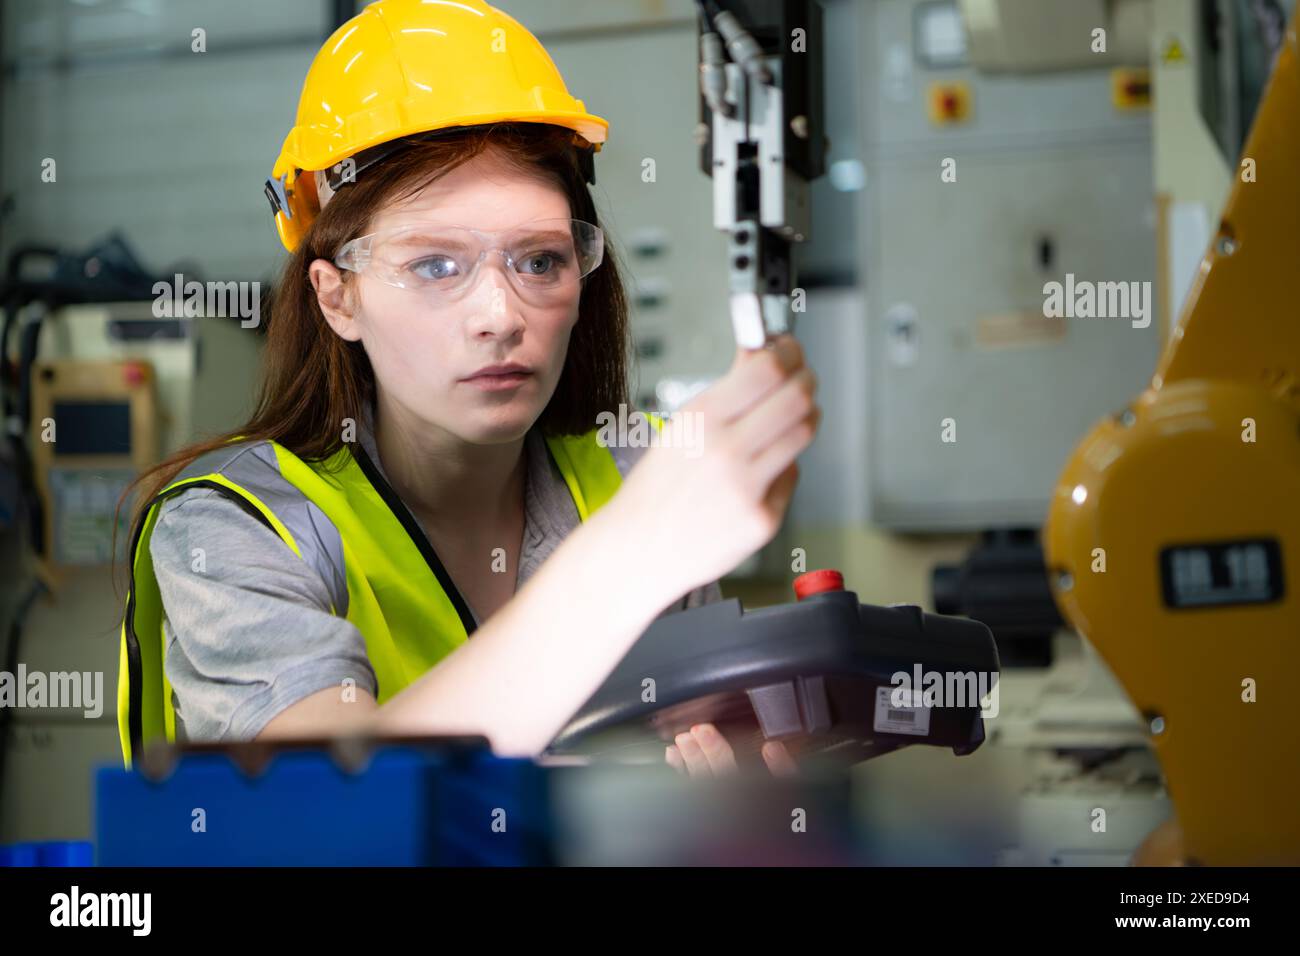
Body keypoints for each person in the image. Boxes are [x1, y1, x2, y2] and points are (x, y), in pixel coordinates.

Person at [114, 0, 818, 778]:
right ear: (336, 296)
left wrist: (740, 807)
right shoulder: (234, 530)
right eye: (434, 265)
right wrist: (632, 554)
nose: (500, 316)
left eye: (540, 260)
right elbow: (338, 804)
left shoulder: (629, 474)